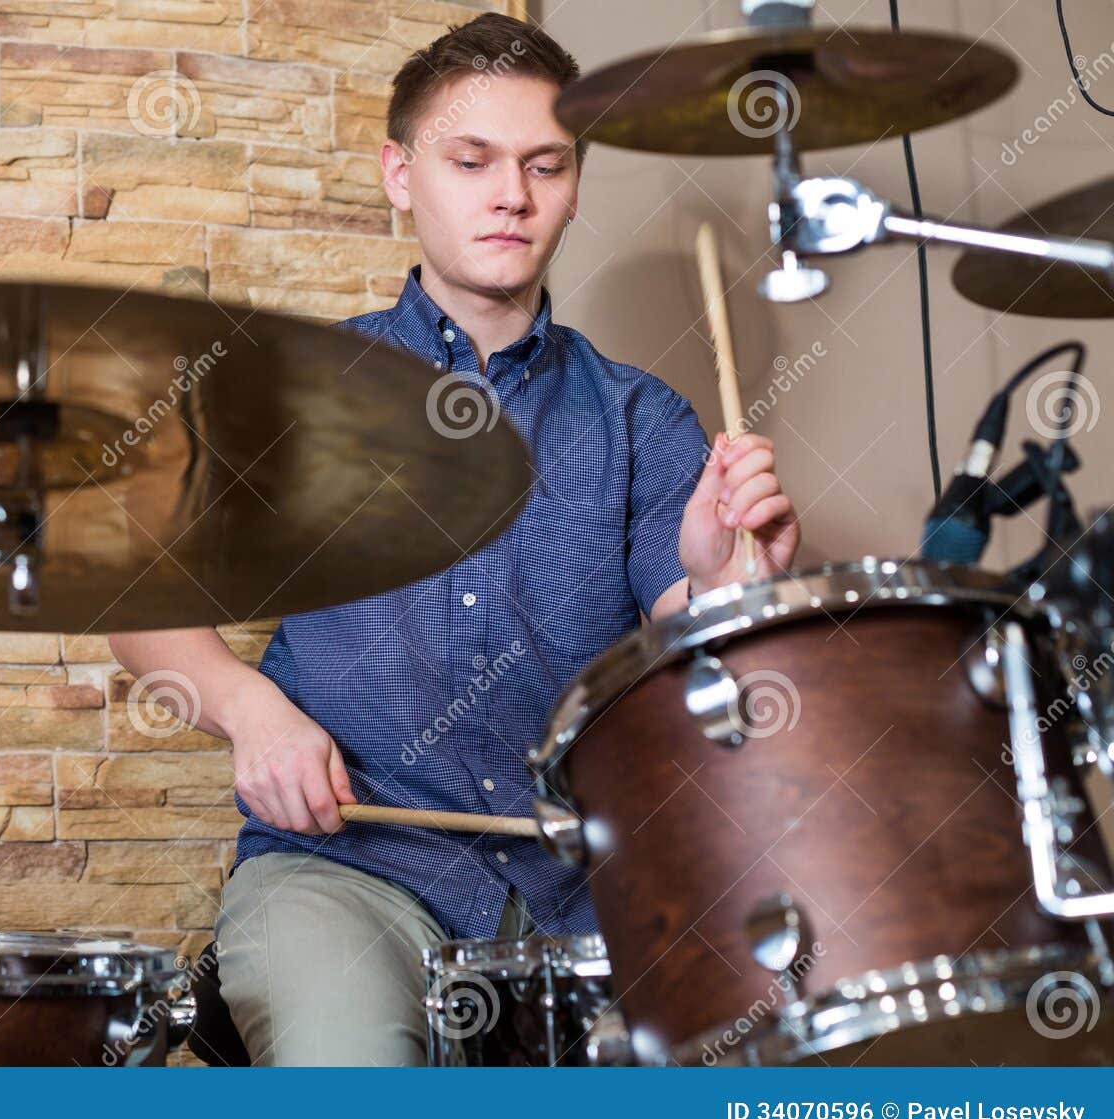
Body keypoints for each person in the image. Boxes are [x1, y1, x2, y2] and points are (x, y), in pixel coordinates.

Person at [109, 12, 801, 1065]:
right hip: (345, 871)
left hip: (588, 886)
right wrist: (251, 711)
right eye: (470, 160)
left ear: (574, 184)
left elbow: (705, 671)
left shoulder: (642, 418)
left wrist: (721, 583)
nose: (511, 194)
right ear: (401, 175)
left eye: (545, 165)